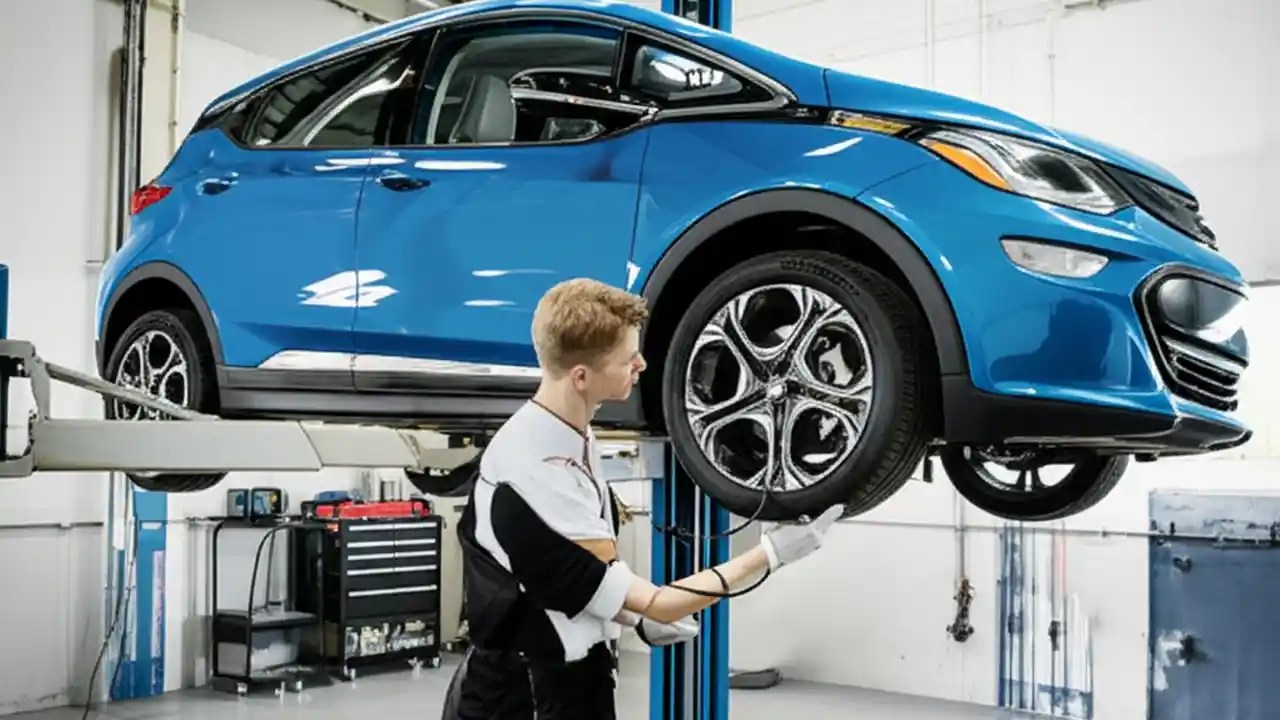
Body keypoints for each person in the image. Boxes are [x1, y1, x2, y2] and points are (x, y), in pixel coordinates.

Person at [441, 278, 844, 720]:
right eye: (627, 358)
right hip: (523, 698)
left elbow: (573, 582)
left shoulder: (570, 430)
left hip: (566, 677)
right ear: (581, 377)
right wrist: (770, 554)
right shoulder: (535, 472)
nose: (642, 364)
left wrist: (631, 620)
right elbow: (659, 601)